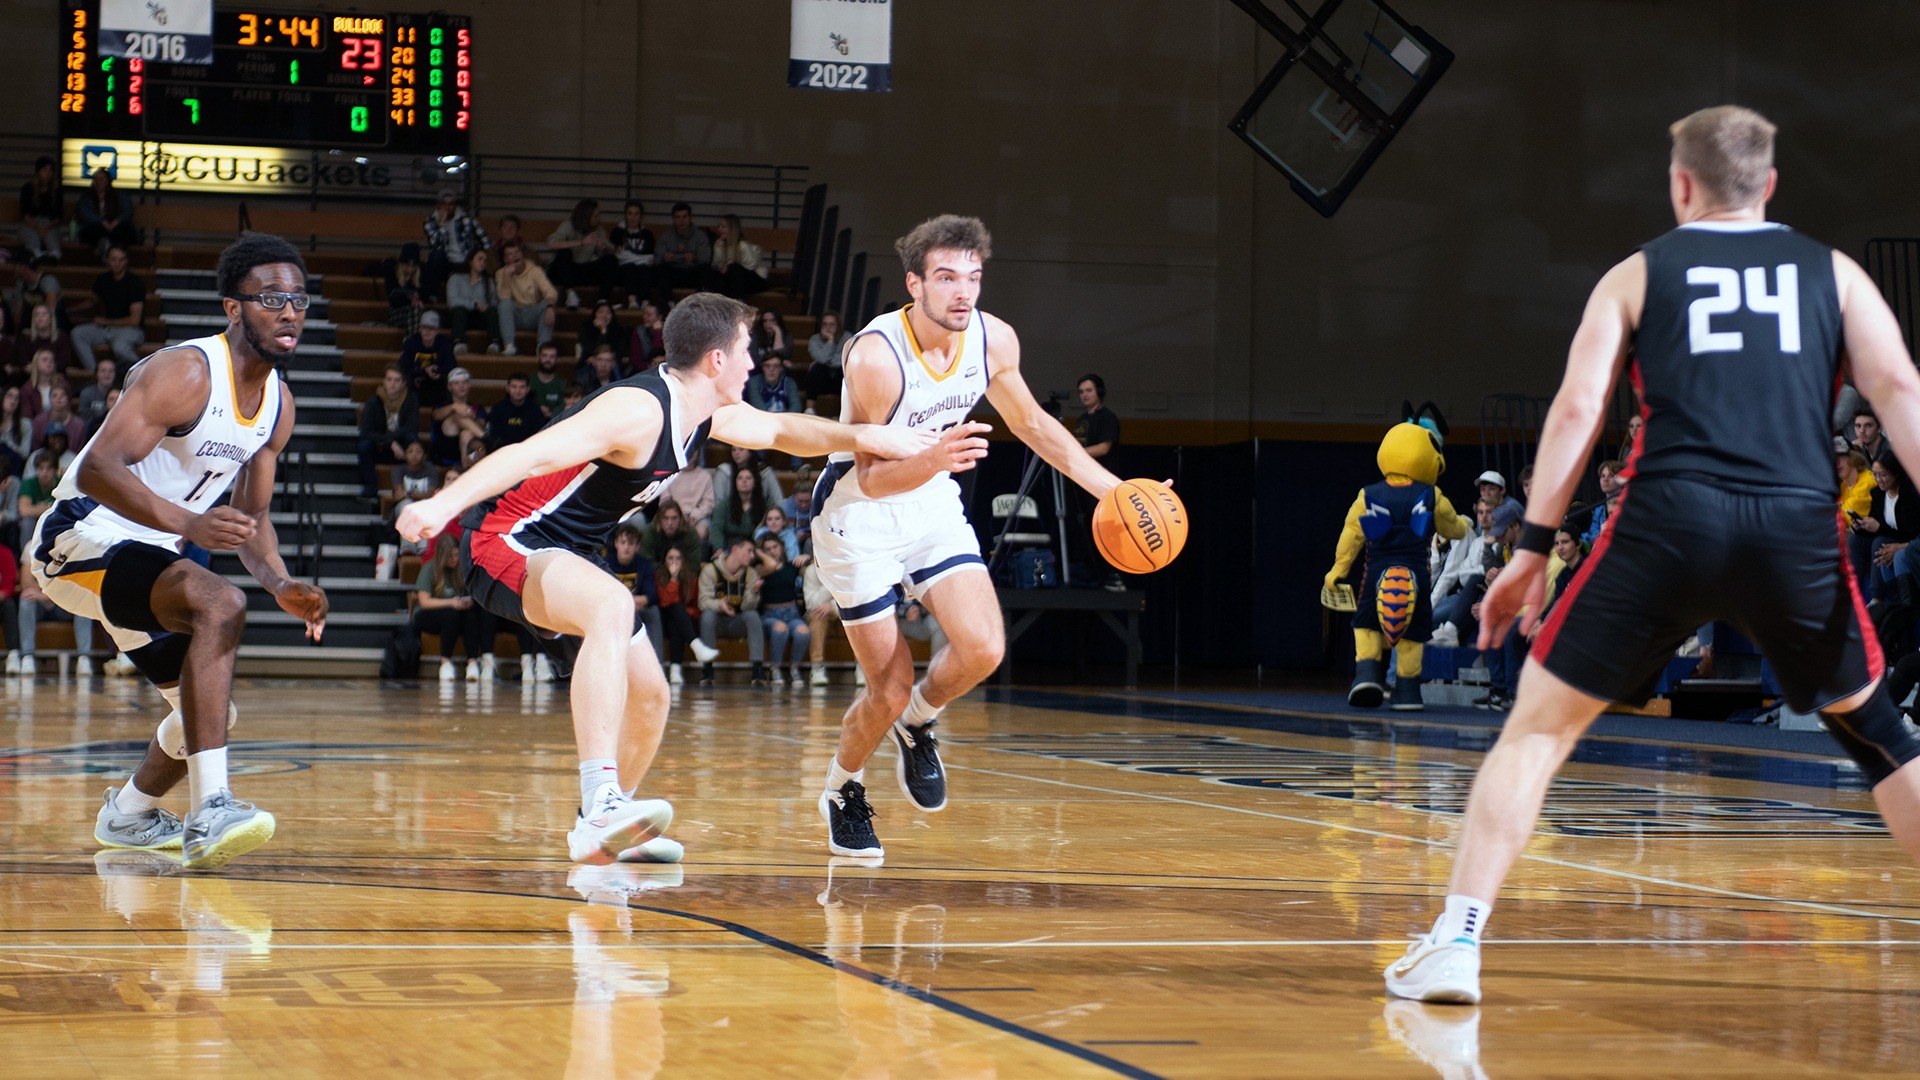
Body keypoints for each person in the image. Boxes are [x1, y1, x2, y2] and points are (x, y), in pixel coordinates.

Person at [1385, 106, 1920, 1006]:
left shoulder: (1637, 273)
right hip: (1795, 529)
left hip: (1665, 522)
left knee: (1539, 731)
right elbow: (1900, 387)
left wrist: (1531, 550)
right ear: (1770, 187)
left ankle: (1459, 943)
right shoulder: (1834, 275)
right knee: (1885, 742)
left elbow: (1573, 410)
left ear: (1680, 185)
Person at [394, 292, 927, 866]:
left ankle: (597, 834)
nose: (754, 363)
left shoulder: (706, 414)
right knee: (611, 604)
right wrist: (441, 505)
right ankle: (602, 802)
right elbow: (527, 454)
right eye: (747, 351)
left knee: (651, 697)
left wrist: (864, 438)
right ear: (717, 361)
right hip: (503, 538)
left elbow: (779, 431)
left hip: (565, 550)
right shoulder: (638, 410)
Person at [811, 214, 1122, 858]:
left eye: (973, 278)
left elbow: (1034, 424)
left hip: (928, 501)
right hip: (859, 518)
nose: (963, 292)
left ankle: (920, 722)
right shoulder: (876, 356)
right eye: (947, 277)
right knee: (887, 689)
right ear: (915, 284)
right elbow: (869, 478)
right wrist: (934, 460)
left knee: (982, 648)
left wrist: (1110, 490)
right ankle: (843, 788)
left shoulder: (993, 340)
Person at [30, 233, 328, 870]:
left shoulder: (278, 406)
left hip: (148, 562)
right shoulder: (186, 371)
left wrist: (280, 583)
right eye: (271, 298)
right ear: (232, 307)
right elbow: (99, 470)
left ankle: (130, 812)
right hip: (81, 541)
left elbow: (251, 519)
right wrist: (190, 523)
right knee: (218, 602)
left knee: (209, 710)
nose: (289, 312)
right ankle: (213, 807)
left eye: (298, 299)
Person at [415, 534, 493, 682]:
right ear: (442, 555)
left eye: (457, 555)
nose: (455, 559)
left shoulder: (460, 571)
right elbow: (424, 602)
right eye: (451, 556)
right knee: (450, 615)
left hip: (455, 612)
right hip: (427, 614)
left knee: (470, 616)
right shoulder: (429, 568)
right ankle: (445, 663)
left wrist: (467, 602)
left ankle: (472, 663)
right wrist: (451, 602)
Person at [699, 537, 765, 685]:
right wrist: (719, 604)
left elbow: (746, 607)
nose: (752, 556)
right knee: (707, 616)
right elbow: (703, 602)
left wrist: (754, 592)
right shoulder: (710, 570)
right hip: (717, 622)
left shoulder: (750, 573)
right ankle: (707, 670)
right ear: (735, 549)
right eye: (749, 551)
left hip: (737, 622)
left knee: (753, 616)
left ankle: (758, 671)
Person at [70, 246, 146, 371]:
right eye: (114, 259)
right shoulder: (103, 279)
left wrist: (107, 321)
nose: (117, 263)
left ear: (126, 261)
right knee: (77, 333)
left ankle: (140, 373)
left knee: (120, 348)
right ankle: (95, 373)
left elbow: (135, 320)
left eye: (121, 259)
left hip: (130, 330)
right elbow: (91, 302)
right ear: (108, 261)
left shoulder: (135, 282)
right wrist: (70, 310)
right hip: (106, 329)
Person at [653, 545, 714, 685]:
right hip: (663, 619)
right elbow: (665, 601)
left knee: (677, 622)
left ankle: (675, 671)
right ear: (664, 561)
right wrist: (673, 579)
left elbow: (696, 606)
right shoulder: (659, 576)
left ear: (683, 561)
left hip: (684, 622)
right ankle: (695, 647)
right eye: (670, 558)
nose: (674, 562)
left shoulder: (691, 578)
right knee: (675, 609)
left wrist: (686, 613)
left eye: (678, 558)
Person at [357, 363, 421, 497]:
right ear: (384, 381)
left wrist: (392, 439)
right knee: (364, 445)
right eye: (389, 379)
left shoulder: (410, 400)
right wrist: (389, 442)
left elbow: (411, 427)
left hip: (401, 447)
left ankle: (411, 487)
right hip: (380, 447)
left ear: (403, 383)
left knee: (412, 440)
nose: (392, 384)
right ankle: (370, 488)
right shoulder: (373, 401)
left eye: (396, 380)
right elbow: (366, 431)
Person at [754, 532, 809, 685]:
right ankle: (775, 668)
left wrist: (807, 557)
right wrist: (757, 550)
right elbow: (771, 565)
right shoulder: (760, 568)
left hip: (792, 612)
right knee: (780, 628)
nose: (772, 551)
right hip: (770, 613)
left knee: (803, 631)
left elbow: (813, 569)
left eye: (775, 547)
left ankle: (794, 668)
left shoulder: (791, 566)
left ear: (782, 547)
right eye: (768, 549)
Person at [606, 523, 664, 664]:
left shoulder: (644, 564)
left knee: (654, 611)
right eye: (623, 542)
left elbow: (651, 595)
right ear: (616, 544)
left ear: (637, 547)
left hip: (637, 609)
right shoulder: (606, 563)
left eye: (631, 543)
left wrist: (632, 602)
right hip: (613, 609)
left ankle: (658, 664)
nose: (626, 547)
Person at [422, 190, 491, 302]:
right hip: (445, 263)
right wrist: (442, 224)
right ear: (438, 205)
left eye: (451, 203)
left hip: (465, 260)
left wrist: (482, 253)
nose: (448, 207)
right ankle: (433, 295)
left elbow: (484, 238)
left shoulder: (466, 219)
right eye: (444, 203)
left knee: (479, 259)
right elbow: (436, 244)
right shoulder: (430, 222)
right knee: (435, 256)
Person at [548, 199, 617, 309]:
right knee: (564, 253)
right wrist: (581, 242)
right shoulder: (568, 225)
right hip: (563, 271)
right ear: (586, 216)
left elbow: (612, 250)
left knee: (611, 260)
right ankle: (570, 294)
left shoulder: (598, 230)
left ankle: (603, 300)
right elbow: (552, 244)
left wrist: (605, 249)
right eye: (596, 216)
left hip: (581, 270)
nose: (599, 219)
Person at [496, 240, 558, 354]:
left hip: (533, 312)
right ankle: (509, 346)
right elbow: (503, 297)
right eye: (510, 254)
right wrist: (506, 276)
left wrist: (550, 307)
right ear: (505, 260)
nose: (515, 255)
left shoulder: (535, 270)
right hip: (516, 315)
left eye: (517, 252)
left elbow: (549, 290)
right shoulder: (501, 273)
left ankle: (542, 347)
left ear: (521, 254)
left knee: (547, 304)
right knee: (504, 304)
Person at [73, 169, 140, 256]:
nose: (99, 182)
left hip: (115, 225)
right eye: (97, 179)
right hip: (95, 225)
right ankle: (105, 250)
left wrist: (117, 221)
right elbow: (83, 213)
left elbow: (128, 212)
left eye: (102, 179)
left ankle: (111, 252)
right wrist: (101, 221)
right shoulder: (86, 196)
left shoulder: (119, 195)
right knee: (93, 232)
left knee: (123, 232)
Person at [445, 249, 500, 353]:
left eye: (485, 260)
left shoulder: (489, 281)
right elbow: (452, 301)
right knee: (459, 310)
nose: (483, 262)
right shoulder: (455, 278)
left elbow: (493, 302)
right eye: (480, 259)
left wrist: (485, 307)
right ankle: (458, 343)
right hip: (460, 316)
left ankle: (494, 343)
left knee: (493, 311)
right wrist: (474, 304)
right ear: (470, 261)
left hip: (480, 317)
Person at [432, 367, 488, 467]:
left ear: (469, 385)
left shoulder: (477, 408)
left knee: (467, 434)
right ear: (450, 386)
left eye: (464, 383)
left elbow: (481, 425)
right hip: (447, 448)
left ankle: (465, 464)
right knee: (457, 417)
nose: (461, 386)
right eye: (456, 383)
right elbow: (436, 416)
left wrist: (472, 417)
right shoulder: (441, 406)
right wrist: (454, 407)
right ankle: (488, 439)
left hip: (471, 448)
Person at [400, 310, 456, 411]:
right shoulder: (411, 343)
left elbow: (451, 366)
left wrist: (438, 372)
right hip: (416, 384)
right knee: (405, 380)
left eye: (431, 329)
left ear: (437, 331)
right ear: (420, 329)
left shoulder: (445, 344)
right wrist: (423, 371)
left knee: (450, 381)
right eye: (424, 328)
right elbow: (403, 366)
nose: (427, 332)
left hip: (437, 385)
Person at [610, 200, 660, 308]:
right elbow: (618, 257)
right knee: (629, 267)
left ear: (641, 216)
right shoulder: (617, 232)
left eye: (636, 214)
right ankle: (632, 301)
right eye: (630, 213)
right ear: (625, 215)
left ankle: (644, 301)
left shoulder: (647, 234)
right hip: (623, 271)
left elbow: (650, 259)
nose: (633, 217)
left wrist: (628, 255)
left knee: (644, 269)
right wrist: (638, 258)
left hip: (643, 269)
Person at [706, 215, 770, 299]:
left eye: (723, 227)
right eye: (719, 226)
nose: (720, 229)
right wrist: (720, 268)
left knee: (734, 269)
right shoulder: (719, 244)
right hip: (733, 279)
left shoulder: (743, 246)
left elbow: (751, 266)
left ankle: (739, 302)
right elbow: (715, 264)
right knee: (712, 274)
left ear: (732, 229)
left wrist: (728, 267)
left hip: (754, 280)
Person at [17, 156, 64, 263]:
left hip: (50, 224)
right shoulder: (28, 188)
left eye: (50, 170)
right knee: (31, 236)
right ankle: (36, 256)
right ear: (38, 172)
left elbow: (58, 216)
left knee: (52, 236)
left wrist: (46, 226)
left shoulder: (56, 191)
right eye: (44, 170)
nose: (48, 174)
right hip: (31, 223)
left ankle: (54, 257)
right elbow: (25, 214)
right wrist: (37, 227)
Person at [658, 203, 712, 293]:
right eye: (678, 217)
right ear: (673, 219)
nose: (682, 220)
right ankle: (669, 303)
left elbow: (706, 258)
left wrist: (695, 258)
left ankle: (699, 302)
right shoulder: (666, 236)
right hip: (674, 272)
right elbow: (656, 258)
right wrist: (664, 258)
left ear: (690, 217)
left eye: (685, 216)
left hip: (693, 272)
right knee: (661, 269)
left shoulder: (700, 235)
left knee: (706, 270)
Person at [487, 373, 545, 449]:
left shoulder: (535, 410)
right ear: (507, 388)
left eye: (522, 387)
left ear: (527, 389)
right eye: (514, 387)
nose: (518, 391)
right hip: (503, 451)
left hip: (528, 450)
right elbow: (494, 436)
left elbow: (538, 436)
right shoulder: (498, 409)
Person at [804, 310, 846, 414]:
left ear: (838, 326)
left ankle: (846, 411)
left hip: (839, 378)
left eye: (831, 324)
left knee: (846, 370)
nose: (828, 327)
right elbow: (821, 359)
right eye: (825, 324)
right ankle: (809, 409)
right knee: (817, 368)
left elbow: (845, 359)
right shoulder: (814, 340)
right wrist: (830, 341)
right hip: (822, 379)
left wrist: (827, 360)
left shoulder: (847, 337)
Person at [75, 358, 117, 430]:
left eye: (111, 371)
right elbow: (85, 421)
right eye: (103, 371)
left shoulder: (121, 393)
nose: (107, 374)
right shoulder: (87, 394)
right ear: (97, 374)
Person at [529, 342, 570, 416]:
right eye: (544, 356)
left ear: (556, 359)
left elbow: (565, 406)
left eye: (552, 357)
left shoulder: (563, 385)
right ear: (538, 357)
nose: (548, 360)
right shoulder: (528, 382)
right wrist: (536, 409)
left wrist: (551, 414)